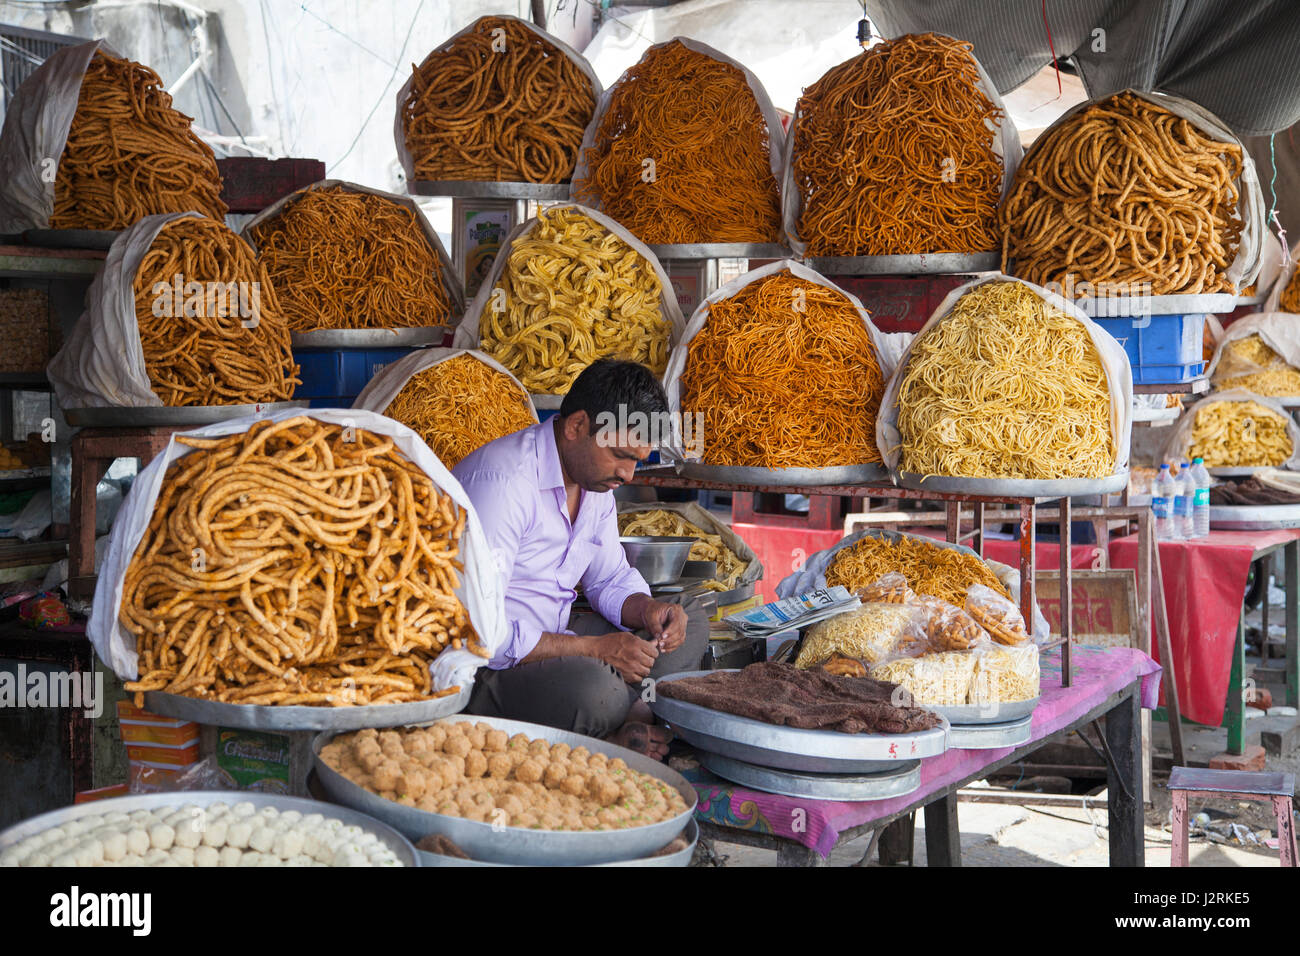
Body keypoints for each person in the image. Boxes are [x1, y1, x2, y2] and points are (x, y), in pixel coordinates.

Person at [452, 358, 708, 760]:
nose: (628, 475)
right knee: (596, 689)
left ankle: (626, 719)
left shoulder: (595, 485)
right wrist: (592, 649)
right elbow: (482, 633)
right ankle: (615, 727)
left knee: (687, 614)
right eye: (621, 455)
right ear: (576, 427)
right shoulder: (503, 483)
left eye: (637, 460)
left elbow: (608, 578)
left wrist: (647, 610)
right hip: (487, 667)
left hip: (555, 634)